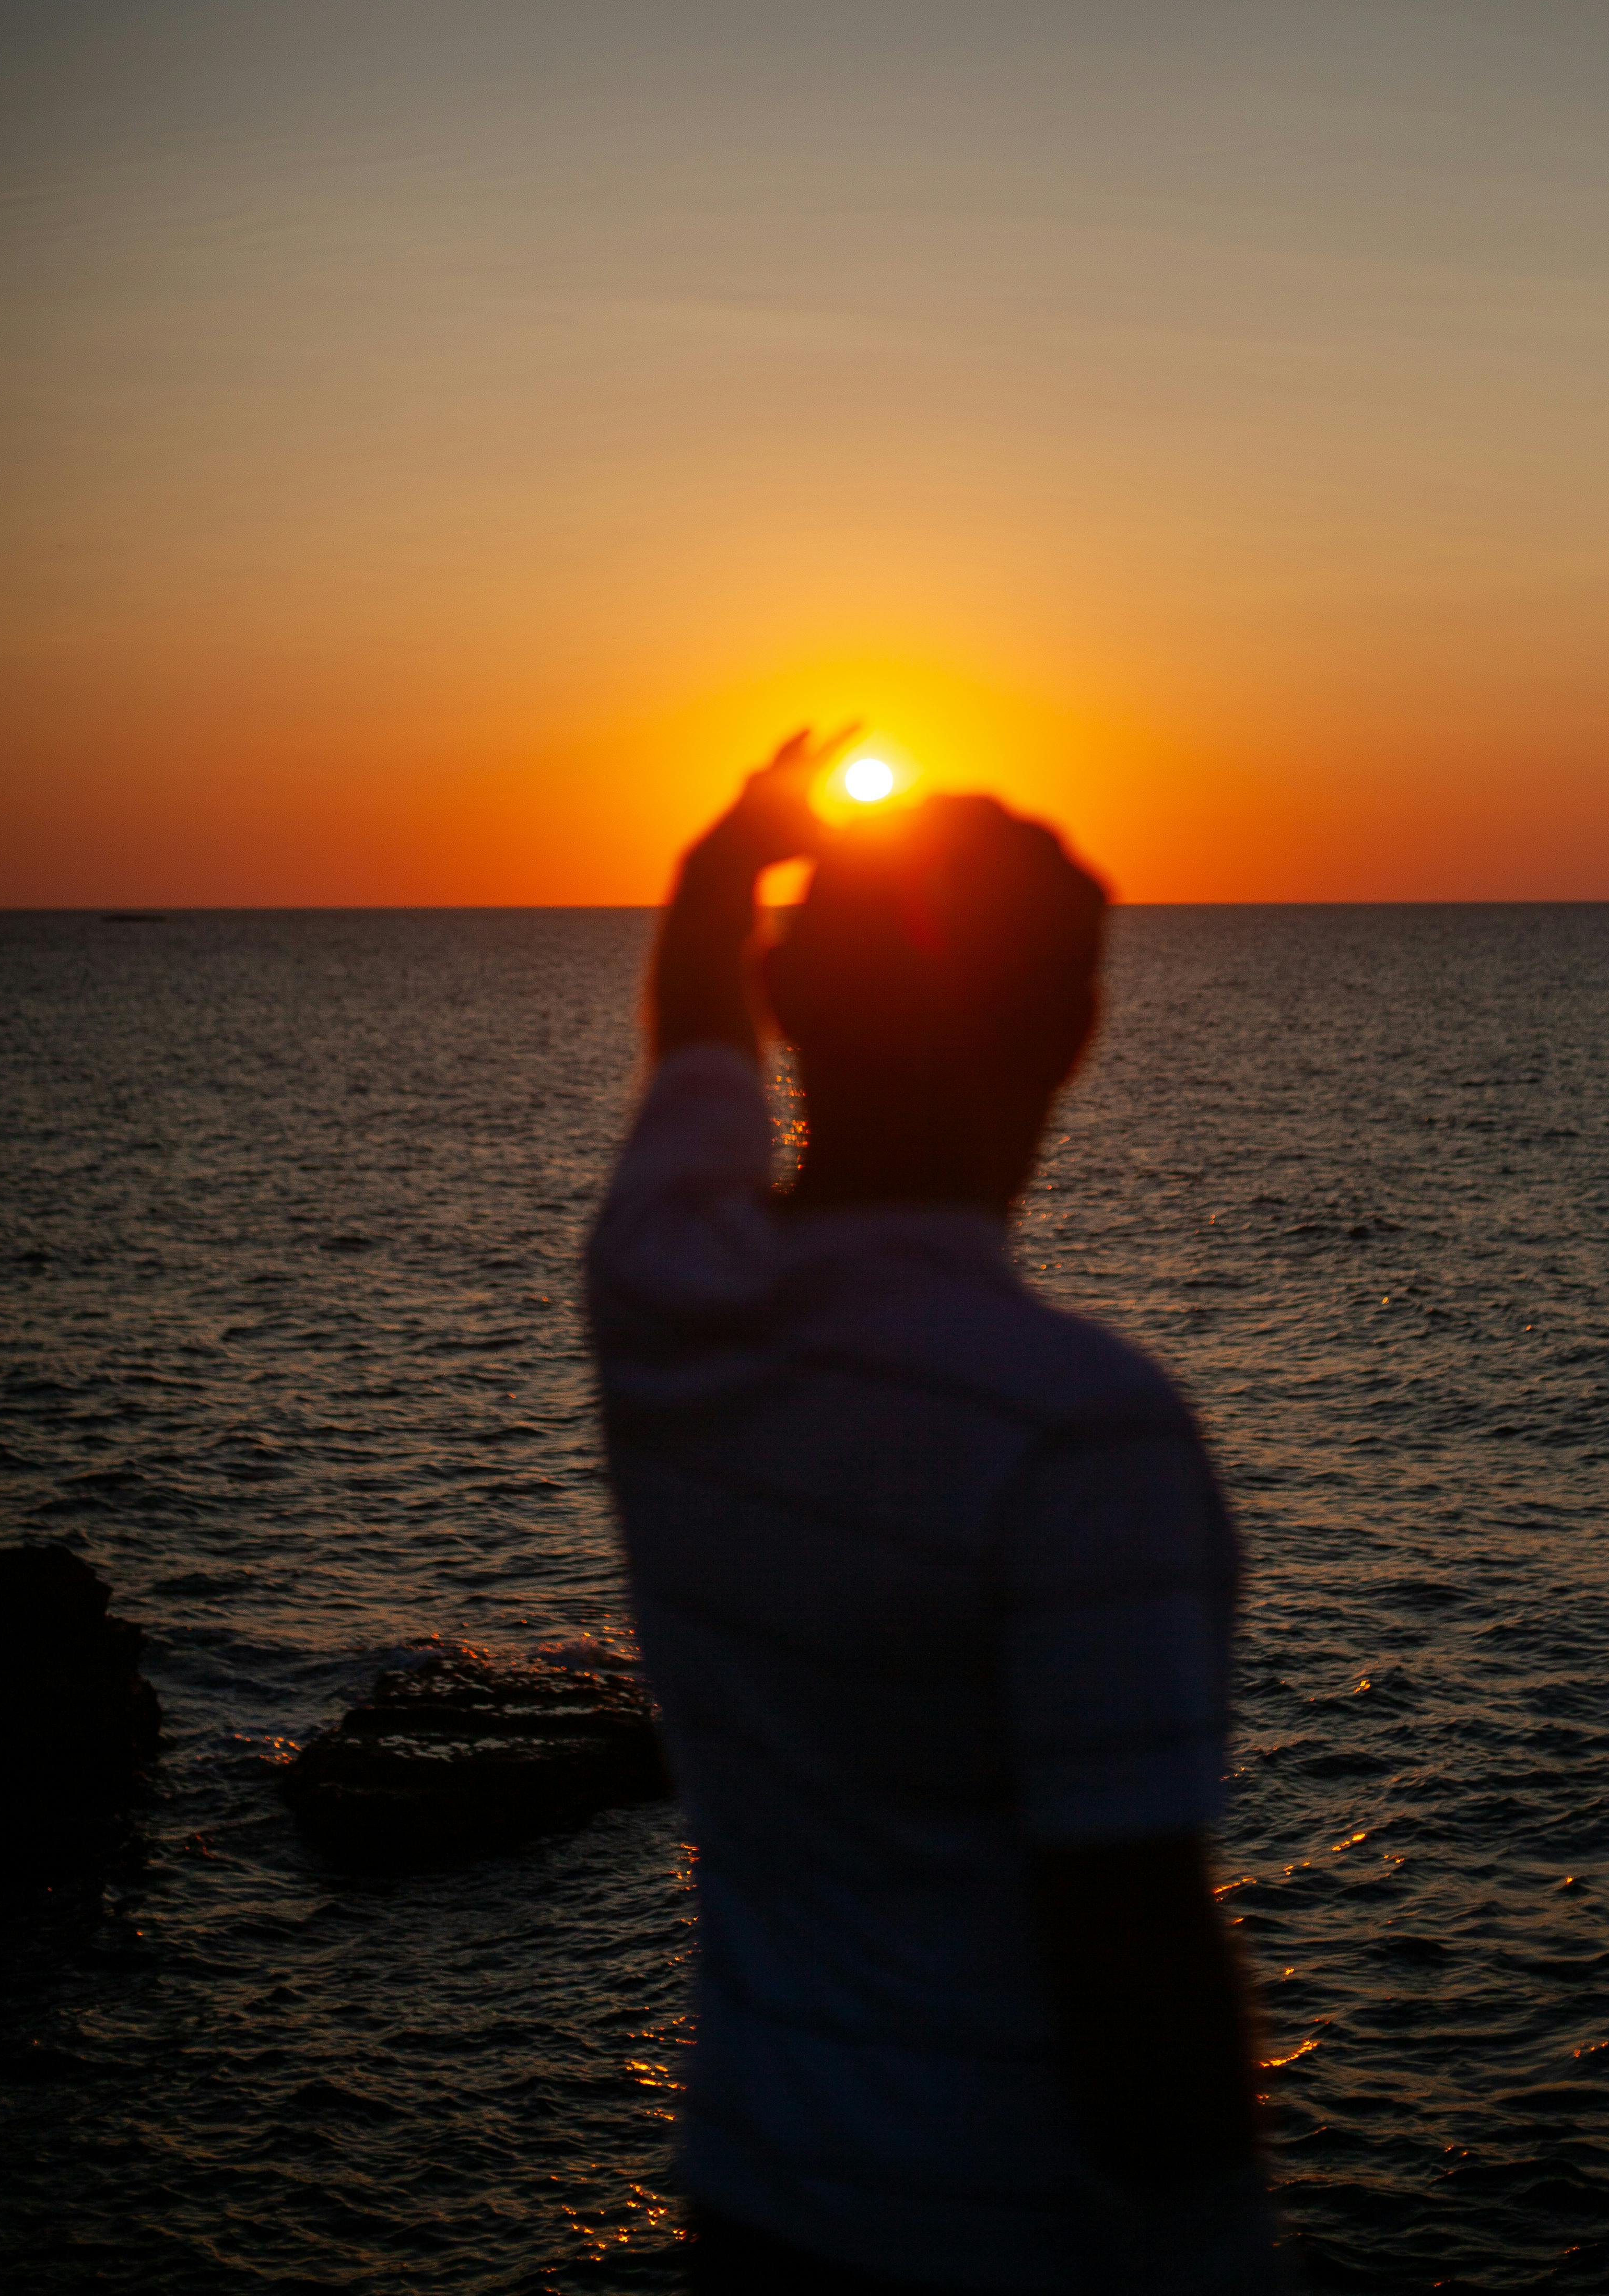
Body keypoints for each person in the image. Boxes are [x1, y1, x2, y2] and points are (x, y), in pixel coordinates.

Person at [584, 731, 1281, 2294]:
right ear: (1076, 1033)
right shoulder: (1074, 1430)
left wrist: (725, 862)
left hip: (755, 2211)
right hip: (1007, 2246)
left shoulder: (661, 1292)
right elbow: (1134, 1960)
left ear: (788, 1001)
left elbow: (692, 1039)